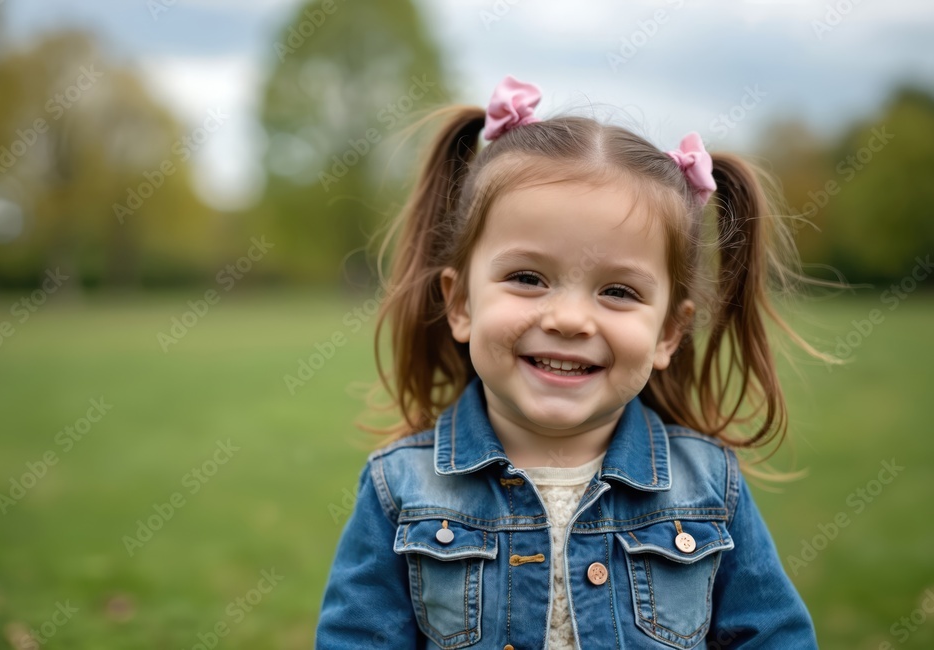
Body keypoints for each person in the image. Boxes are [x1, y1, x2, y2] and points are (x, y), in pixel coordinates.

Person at [315, 75, 822, 649]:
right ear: (460, 304)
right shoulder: (400, 486)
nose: (569, 319)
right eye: (528, 278)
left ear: (668, 333)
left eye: (619, 291)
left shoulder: (710, 486)